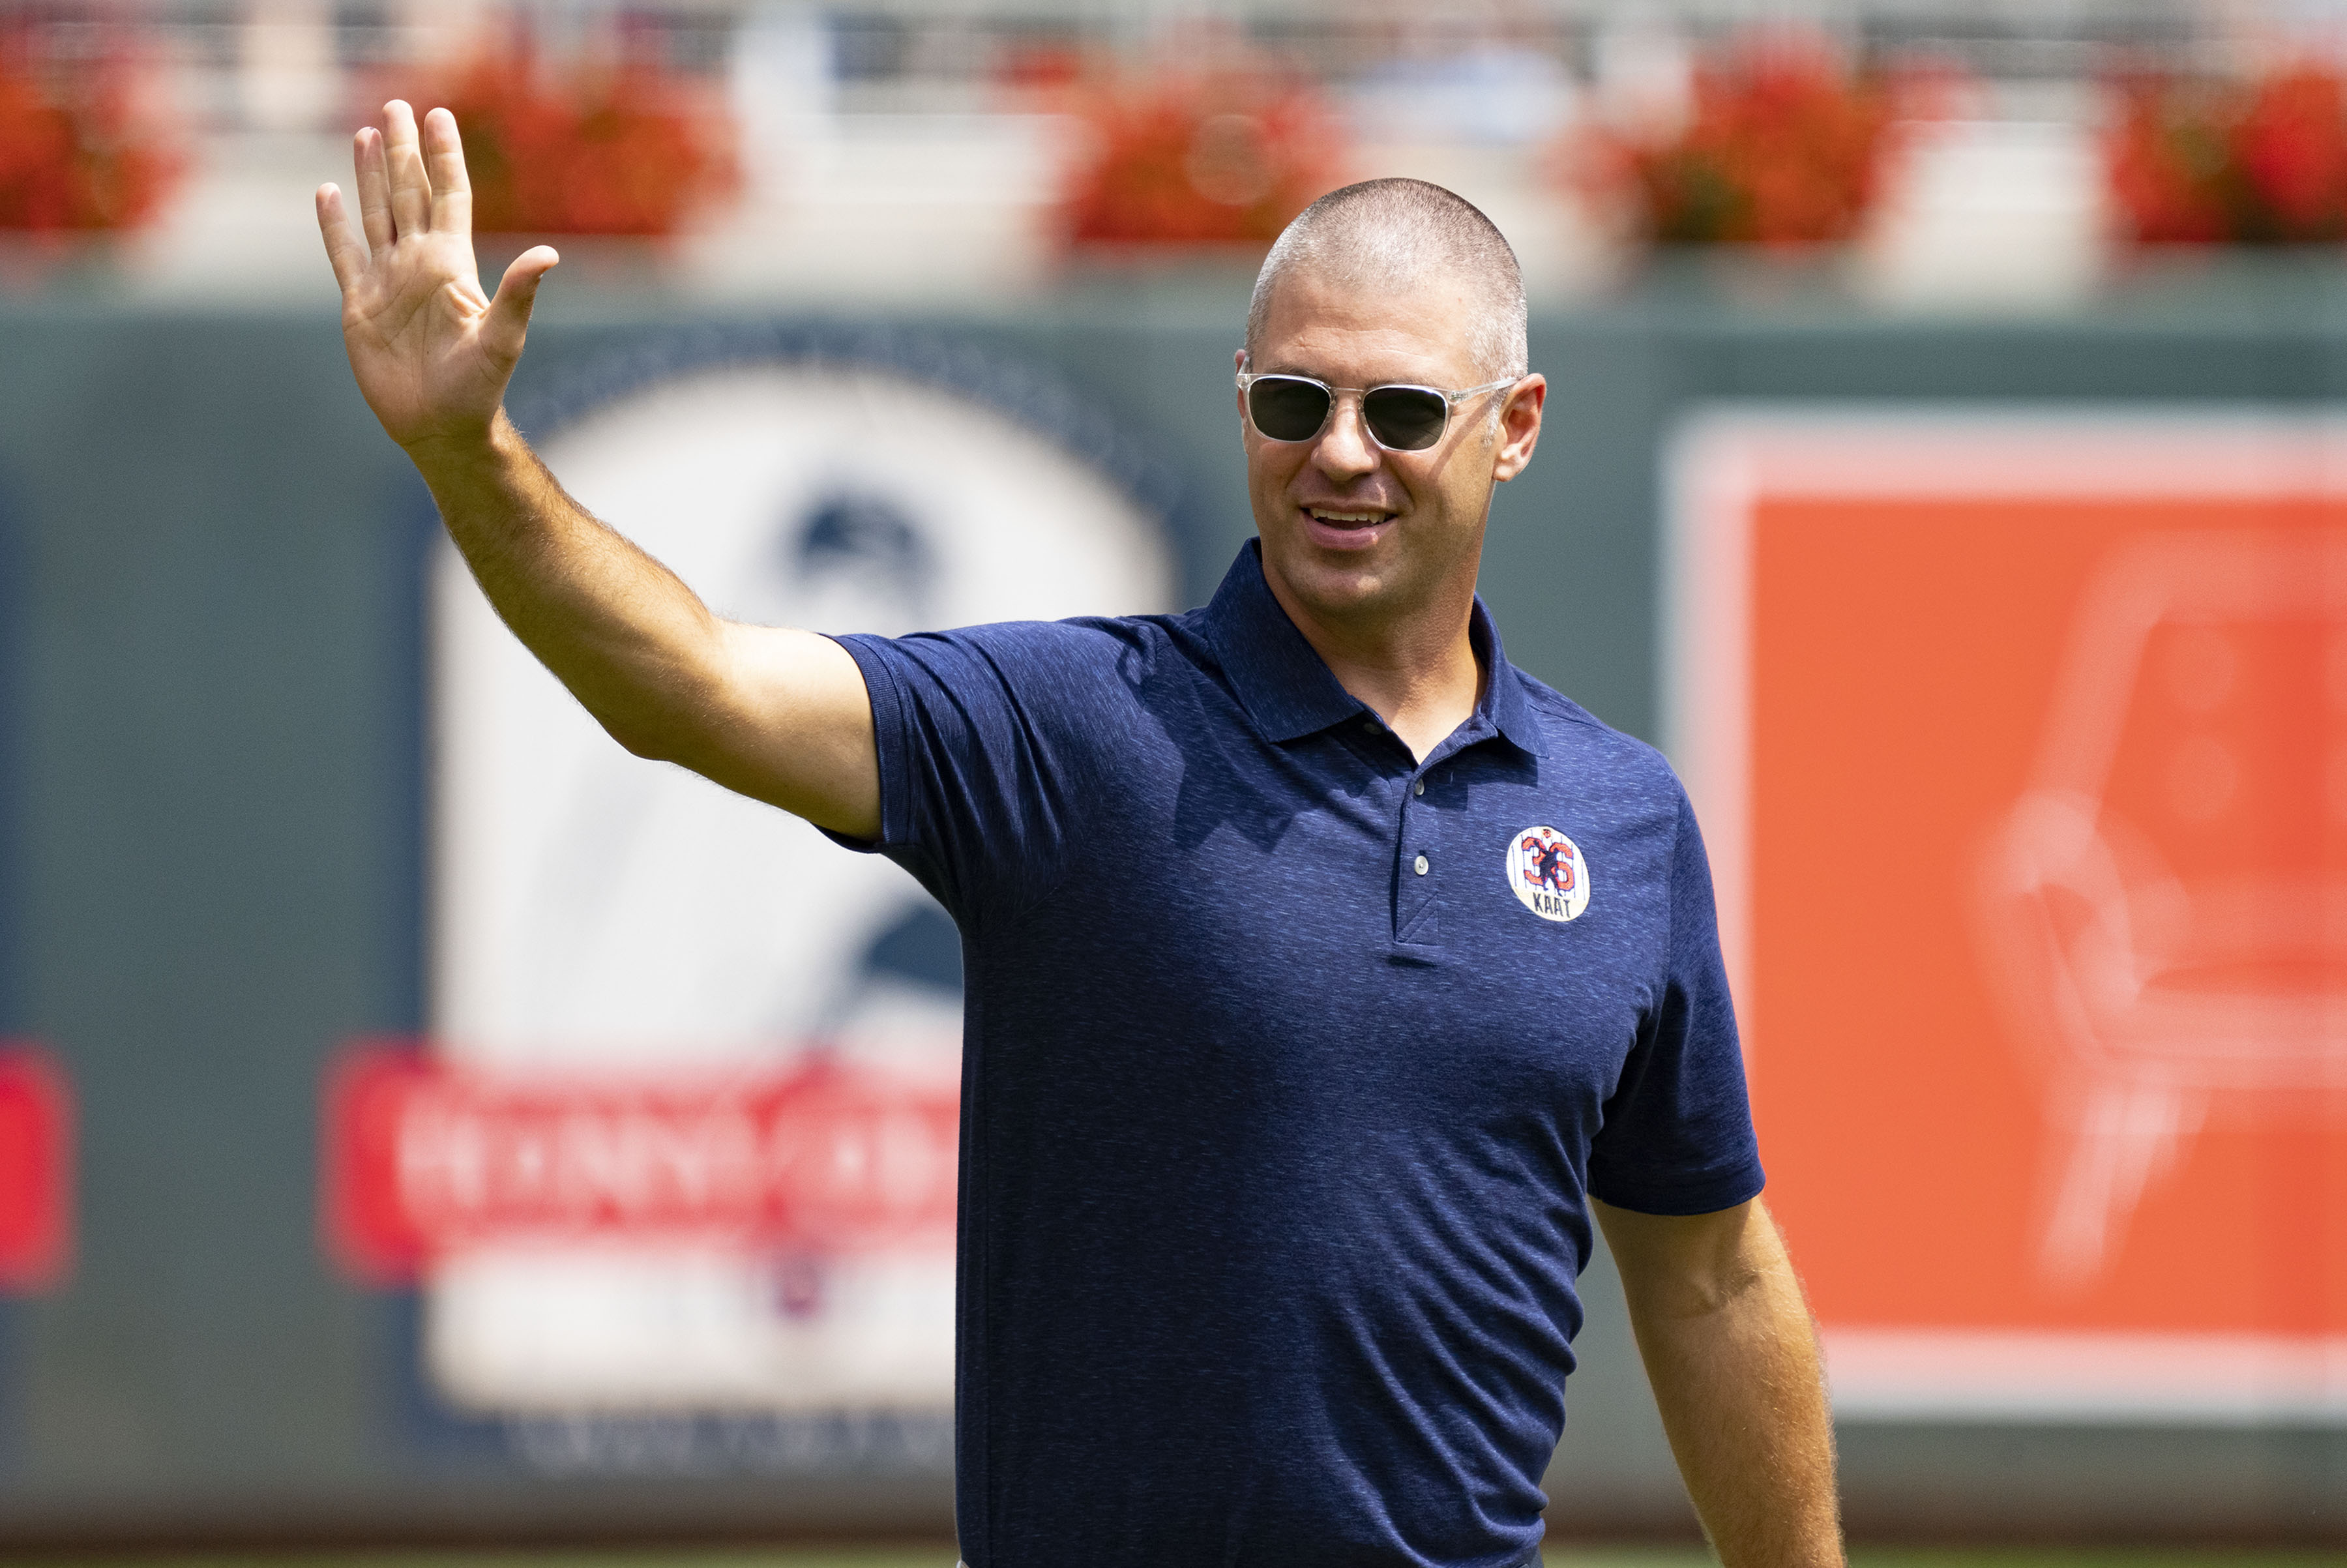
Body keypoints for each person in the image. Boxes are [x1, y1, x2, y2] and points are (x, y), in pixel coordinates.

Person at [316, 100, 1843, 1568]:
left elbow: (1712, 1279)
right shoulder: (1076, 729)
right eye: (1295, 403)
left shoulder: (1622, 820)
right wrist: (469, 452)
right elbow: (698, 686)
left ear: (1514, 428)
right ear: (1243, 399)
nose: (1340, 453)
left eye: (1402, 412)